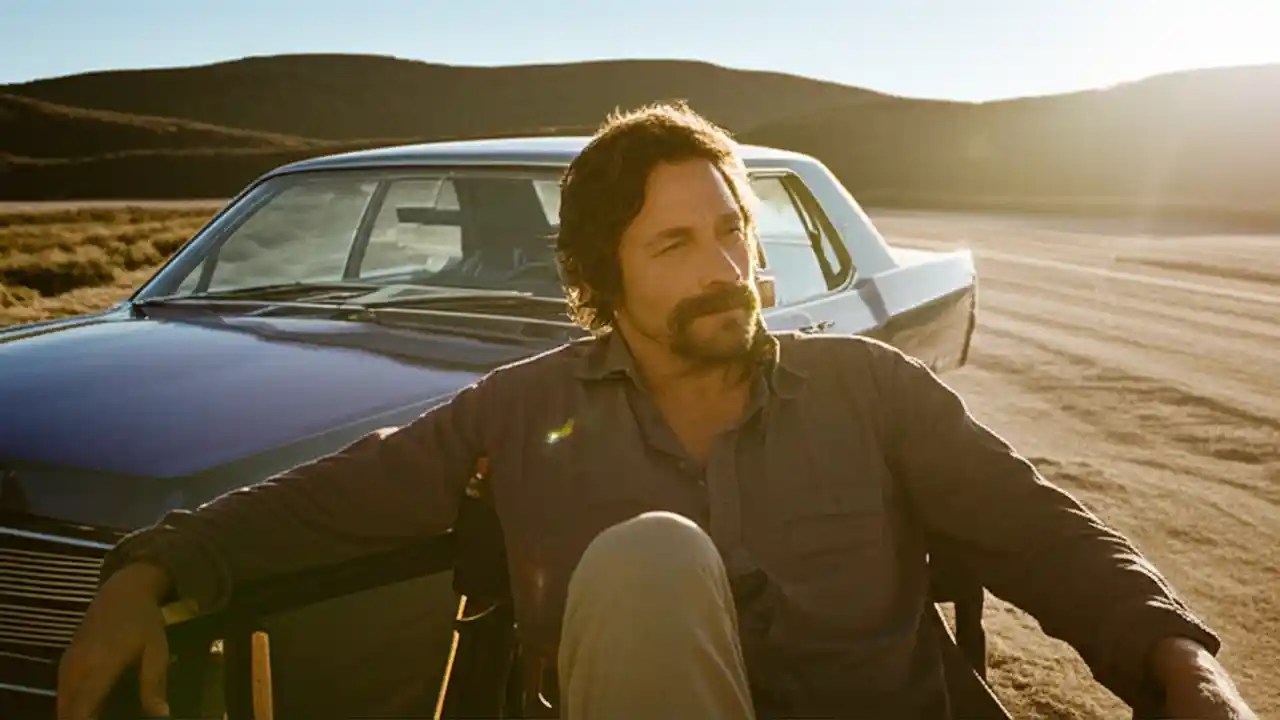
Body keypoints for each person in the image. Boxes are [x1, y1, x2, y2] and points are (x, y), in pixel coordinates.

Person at [58, 103, 1255, 720]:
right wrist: (147, 572)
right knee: (648, 560)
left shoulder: (868, 389)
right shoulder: (517, 414)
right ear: (603, 279)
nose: (724, 264)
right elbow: (330, 499)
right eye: (675, 243)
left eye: (734, 229)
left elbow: (1042, 530)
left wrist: (1180, 664)